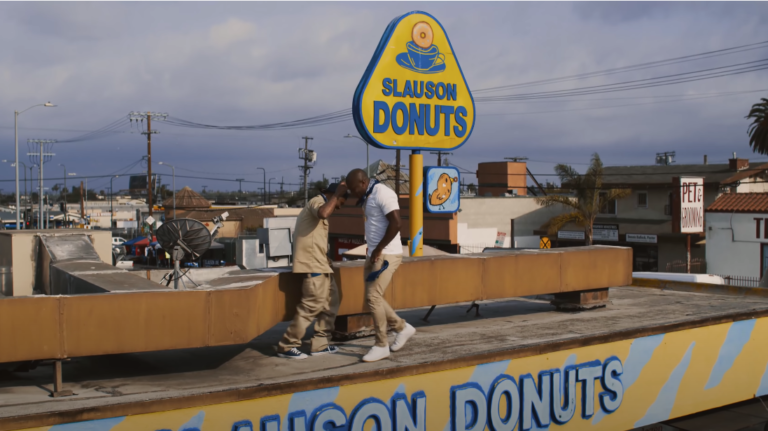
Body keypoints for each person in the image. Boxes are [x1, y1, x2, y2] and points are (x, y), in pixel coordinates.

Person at [346, 169, 415, 362]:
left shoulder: (383, 193)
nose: (353, 194)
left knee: (373, 297)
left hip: (387, 254)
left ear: (363, 182)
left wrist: (379, 249)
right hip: (374, 253)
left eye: (354, 189)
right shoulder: (368, 194)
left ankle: (381, 344)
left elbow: (397, 223)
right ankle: (402, 328)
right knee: (372, 298)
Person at [277, 183, 349, 359]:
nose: (340, 206)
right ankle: (287, 345)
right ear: (334, 195)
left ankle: (320, 344)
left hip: (322, 264)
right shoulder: (316, 202)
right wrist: (337, 194)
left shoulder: (323, 203)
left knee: (331, 303)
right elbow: (323, 212)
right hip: (312, 266)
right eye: (341, 201)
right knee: (311, 306)